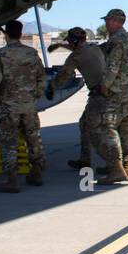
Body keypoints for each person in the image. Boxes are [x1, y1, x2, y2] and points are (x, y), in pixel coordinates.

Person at [0, 19, 47, 193]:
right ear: (20, 34)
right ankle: (37, 173)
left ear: (6, 35)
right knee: (33, 139)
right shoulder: (32, 53)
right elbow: (42, 78)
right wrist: (33, 97)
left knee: (8, 142)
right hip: (28, 106)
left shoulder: (0, 55)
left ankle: (12, 179)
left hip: (8, 106)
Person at [46, 26, 107, 170]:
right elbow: (80, 49)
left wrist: (52, 87)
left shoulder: (75, 57)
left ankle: (114, 164)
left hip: (98, 96)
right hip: (108, 92)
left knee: (92, 129)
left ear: (73, 41)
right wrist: (61, 45)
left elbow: (63, 75)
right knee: (88, 125)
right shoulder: (94, 48)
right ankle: (85, 159)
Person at [94, 9, 128, 184]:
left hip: (116, 92)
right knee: (126, 128)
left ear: (116, 21)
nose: (106, 24)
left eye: (108, 21)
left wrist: (104, 87)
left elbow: (112, 66)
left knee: (108, 127)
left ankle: (116, 169)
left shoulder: (116, 41)